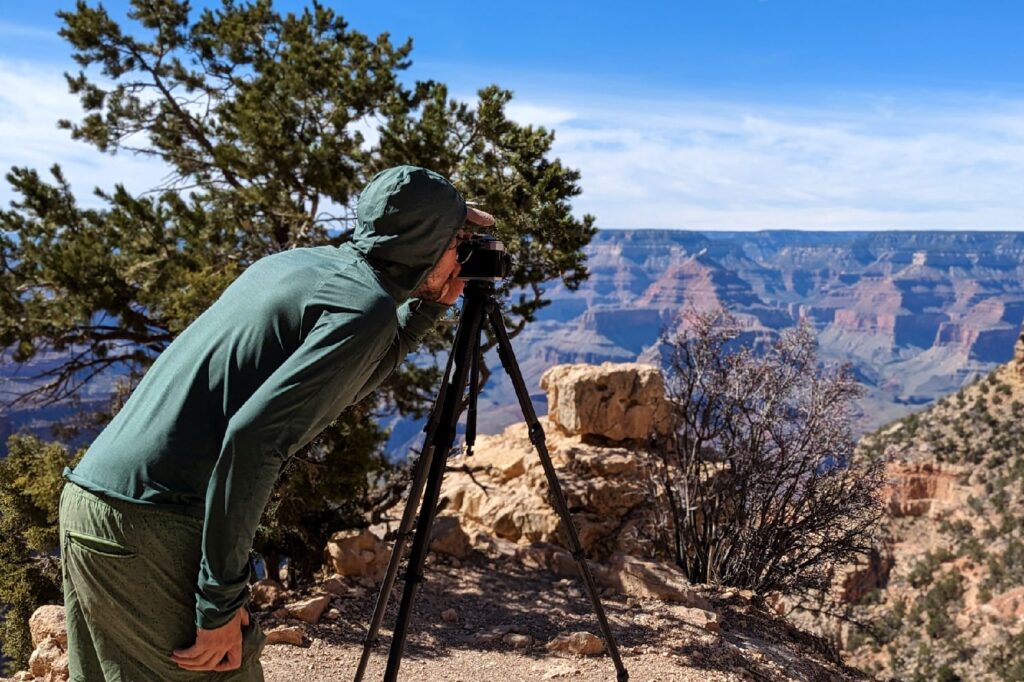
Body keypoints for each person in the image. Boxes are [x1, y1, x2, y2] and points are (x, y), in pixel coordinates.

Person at [57, 165, 494, 680]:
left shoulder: (296, 266)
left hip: (92, 503)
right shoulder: (365, 308)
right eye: (456, 241)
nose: (461, 254)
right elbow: (252, 442)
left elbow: (349, 370)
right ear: (421, 244)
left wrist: (424, 312)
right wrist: (218, 604)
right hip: (154, 523)